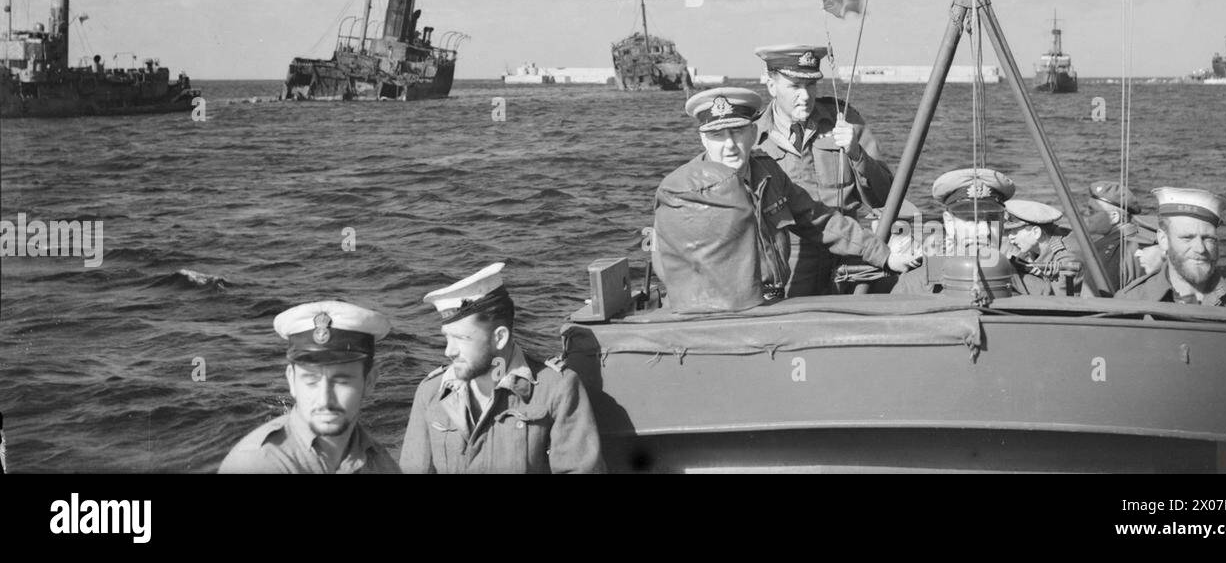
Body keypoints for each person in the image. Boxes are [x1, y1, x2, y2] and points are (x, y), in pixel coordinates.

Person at [653, 87, 917, 311]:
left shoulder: (766, 173)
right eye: (717, 136)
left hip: (771, 305)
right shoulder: (683, 189)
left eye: (737, 131)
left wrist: (884, 256)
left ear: (753, 133)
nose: (730, 145)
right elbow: (668, 264)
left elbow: (818, 220)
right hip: (718, 312)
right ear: (703, 139)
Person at [399, 263, 605, 473]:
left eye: (461, 338)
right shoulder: (431, 393)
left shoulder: (556, 390)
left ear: (499, 338)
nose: (449, 351)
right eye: (447, 337)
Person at [752, 45, 897, 294]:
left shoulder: (844, 120)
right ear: (772, 86)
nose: (806, 96)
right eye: (795, 86)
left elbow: (885, 197)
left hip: (853, 253)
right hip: (792, 258)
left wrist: (856, 153)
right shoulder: (753, 137)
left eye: (811, 85)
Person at [219, 300, 398, 474]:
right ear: (291, 380)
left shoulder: (381, 463)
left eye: (341, 381)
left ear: (369, 381)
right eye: (311, 381)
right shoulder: (257, 464)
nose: (324, 399)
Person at [892, 168, 1049, 297]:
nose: (984, 230)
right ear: (949, 223)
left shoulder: (1035, 289)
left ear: (1002, 223)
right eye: (970, 219)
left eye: (991, 219)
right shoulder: (912, 287)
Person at [1116, 188, 1226, 308]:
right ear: (1163, 240)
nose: (1200, 248)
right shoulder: (1131, 301)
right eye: (1187, 238)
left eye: (1208, 238)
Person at [1088, 180, 1162, 287]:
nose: (1087, 216)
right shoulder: (1147, 243)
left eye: (1092, 211)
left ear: (1114, 217)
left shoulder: (1108, 253)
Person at [1004, 198, 1084, 296]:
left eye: (1015, 232)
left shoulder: (1066, 257)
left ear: (1036, 232)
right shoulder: (1031, 249)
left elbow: (1059, 301)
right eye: (1009, 232)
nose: (1010, 237)